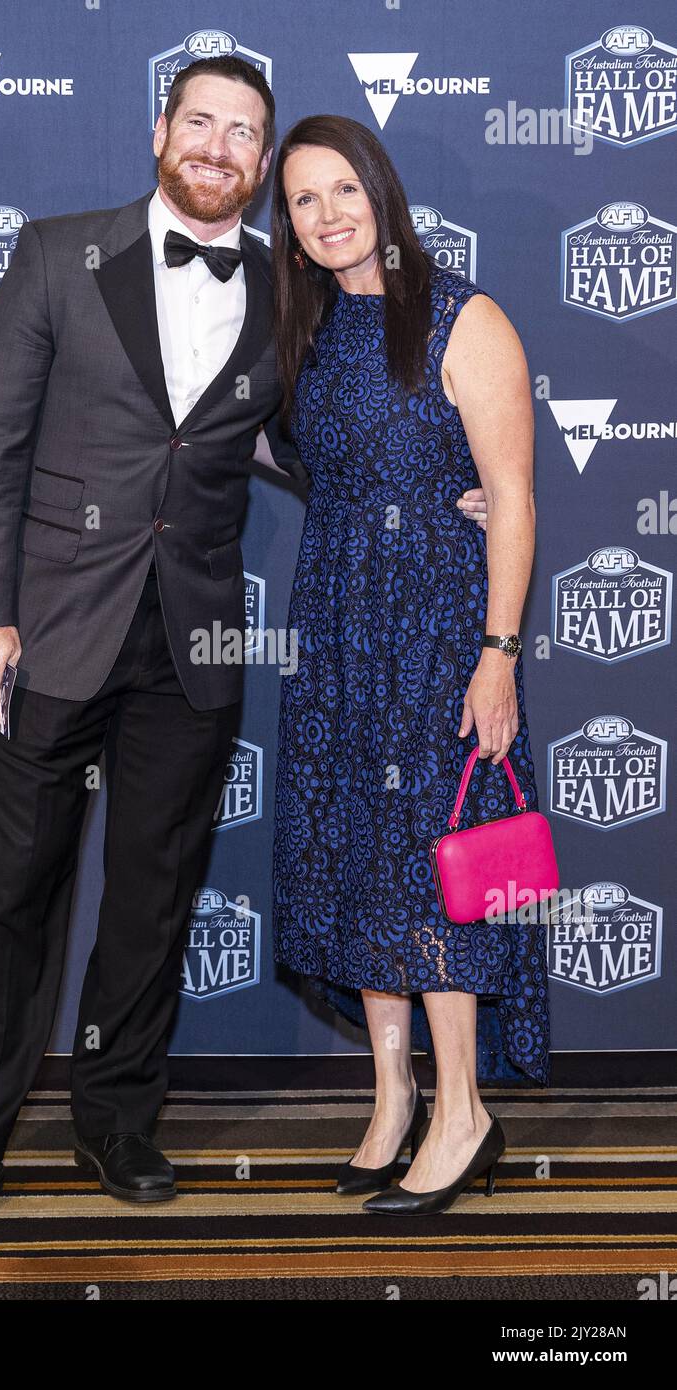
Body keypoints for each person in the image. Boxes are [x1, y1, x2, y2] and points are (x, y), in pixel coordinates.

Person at [0, 58, 490, 1236]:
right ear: (159, 130)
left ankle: (115, 1124)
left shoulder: (294, 287)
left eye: (246, 133)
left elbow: (329, 434)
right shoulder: (54, 253)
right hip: (52, 633)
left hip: (193, 643)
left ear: (261, 163)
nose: (221, 146)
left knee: (154, 900)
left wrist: (448, 494)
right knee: (14, 896)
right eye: (203, 123)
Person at [270, 115, 549, 1216]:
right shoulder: (303, 333)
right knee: (352, 862)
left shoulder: (460, 316)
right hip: (335, 624)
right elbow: (277, 445)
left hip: (436, 626)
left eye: (344, 189)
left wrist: (496, 656)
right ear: (286, 228)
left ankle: (462, 1111)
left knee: (432, 865)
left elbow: (512, 495)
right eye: (302, 200)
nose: (329, 213)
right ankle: (390, 1101)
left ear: (381, 195)